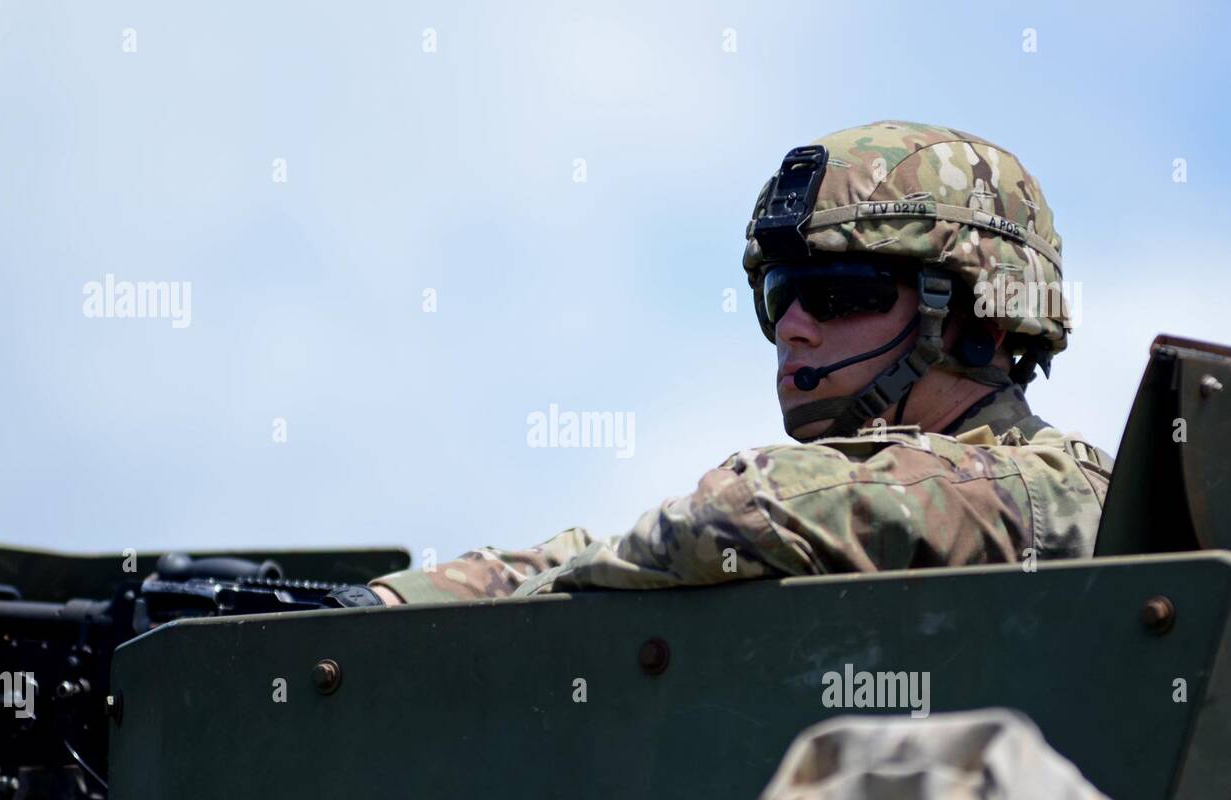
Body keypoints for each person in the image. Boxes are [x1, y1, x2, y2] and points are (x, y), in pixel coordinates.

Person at [366, 120, 1112, 606]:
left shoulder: (1067, 491)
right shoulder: (844, 508)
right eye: (780, 296)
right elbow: (620, 545)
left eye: (836, 294)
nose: (793, 328)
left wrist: (535, 594)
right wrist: (387, 605)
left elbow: (745, 511)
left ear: (976, 315)